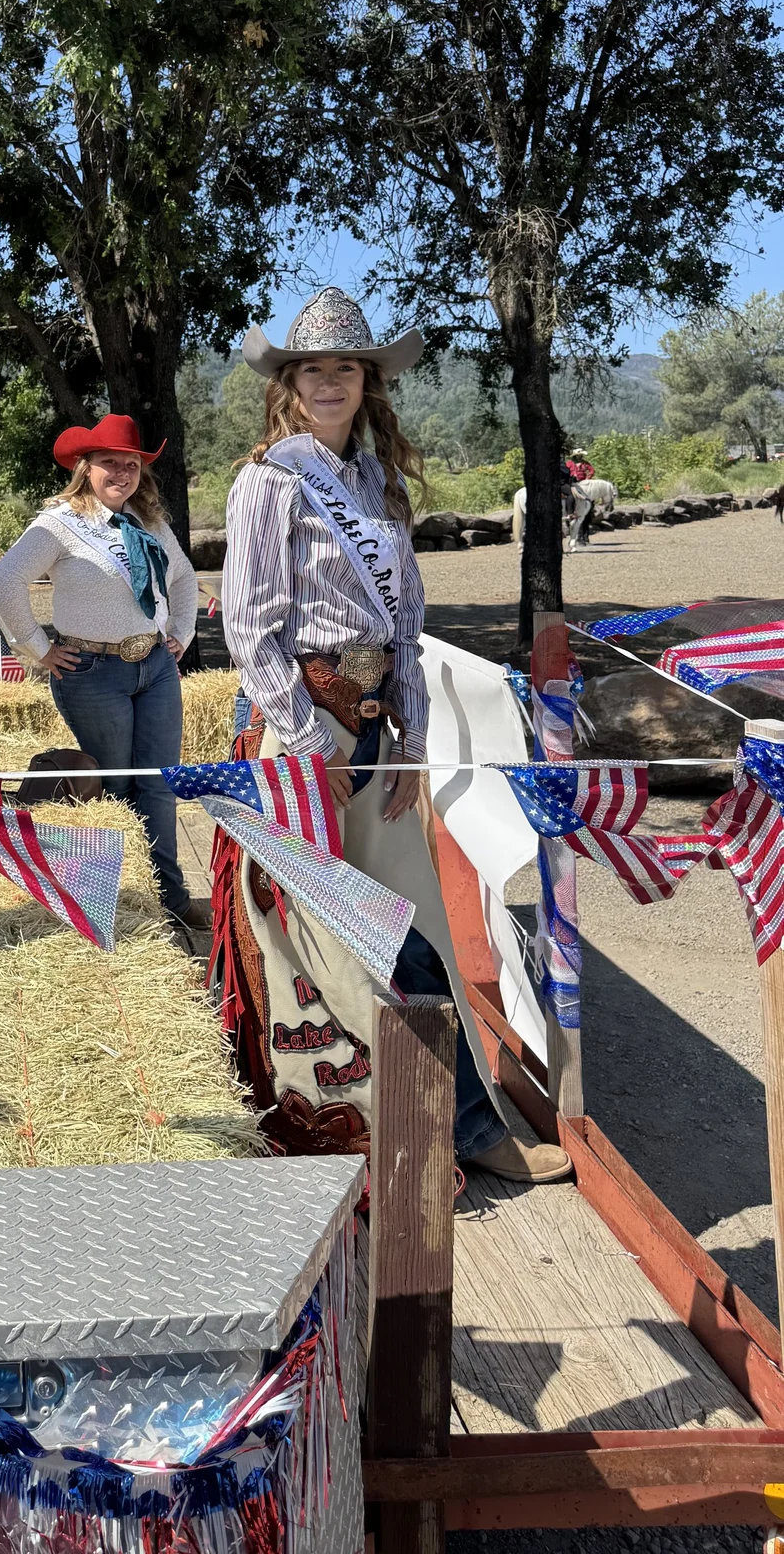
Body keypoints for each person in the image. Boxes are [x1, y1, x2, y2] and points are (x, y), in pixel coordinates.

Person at [221, 286, 570, 1182]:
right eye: (312, 369)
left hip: (377, 727)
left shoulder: (380, 484)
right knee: (324, 942)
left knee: (416, 934)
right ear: (288, 383)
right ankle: (382, 1132)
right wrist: (304, 741)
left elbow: (403, 626)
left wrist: (410, 734)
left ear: (368, 382)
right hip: (308, 728)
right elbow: (249, 630)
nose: (329, 381)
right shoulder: (267, 482)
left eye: (346, 367)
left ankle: (459, 1126)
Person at [0, 414, 203, 930]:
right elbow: (7, 579)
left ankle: (169, 898)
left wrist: (182, 631)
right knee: (115, 787)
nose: (121, 472)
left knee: (157, 783)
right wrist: (35, 647)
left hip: (153, 664)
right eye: (109, 462)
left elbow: (184, 578)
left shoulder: (149, 521)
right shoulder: (59, 522)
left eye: (130, 464)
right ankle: (126, 902)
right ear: (86, 468)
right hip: (91, 669)